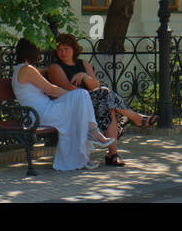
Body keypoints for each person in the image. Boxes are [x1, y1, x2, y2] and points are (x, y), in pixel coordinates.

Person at [47, 33, 155, 167]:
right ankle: (135, 119)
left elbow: (95, 86)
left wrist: (85, 76)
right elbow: (68, 90)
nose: (63, 52)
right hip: (72, 105)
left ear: (74, 49)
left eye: (66, 49)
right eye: (60, 49)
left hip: (91, 102)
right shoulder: (55, 67)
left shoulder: (83, 64)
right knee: (105, 96)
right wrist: (87, 90)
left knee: (108, 106)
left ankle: (114, 154)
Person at [10, 38, 114, 172]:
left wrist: (75, 97)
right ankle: (92, 135)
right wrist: (73, 96)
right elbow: (51, 90)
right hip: (39, 114)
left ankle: (85, 153)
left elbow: (40, 74)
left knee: (80, 101)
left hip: (40, 110)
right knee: (81, 96)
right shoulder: (27, 70)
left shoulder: (22, 69)